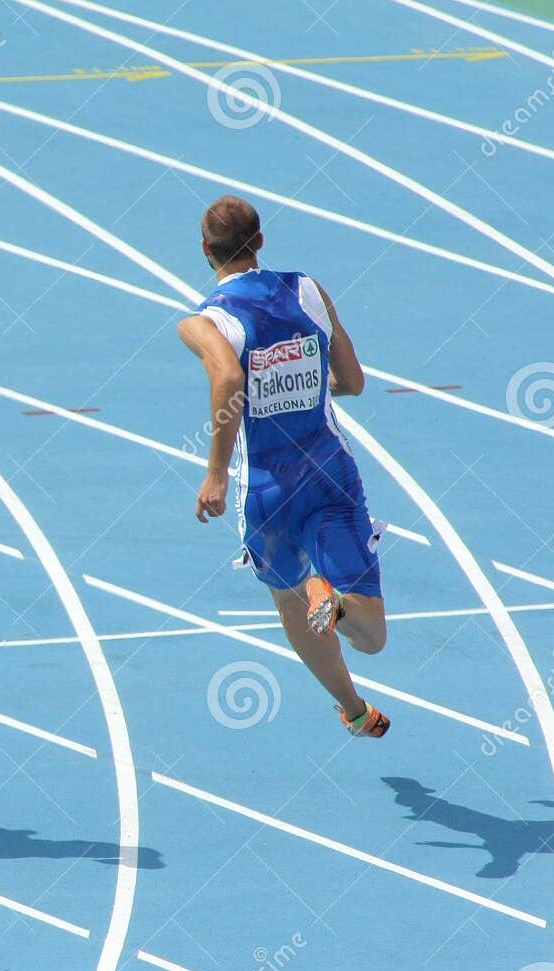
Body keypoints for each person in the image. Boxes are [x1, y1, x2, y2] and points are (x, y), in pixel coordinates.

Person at [177, 196, 390, 738]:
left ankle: (353, 706)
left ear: (205, 249)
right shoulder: (307, 291)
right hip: (329, 474)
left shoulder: (206, 322)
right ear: (261, 242)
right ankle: (337, 603)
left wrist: (216, 473)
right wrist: (310, 389)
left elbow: (227, 380)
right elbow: (354, 382)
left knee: (290, 600)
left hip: (269, 491)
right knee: (371, 636)